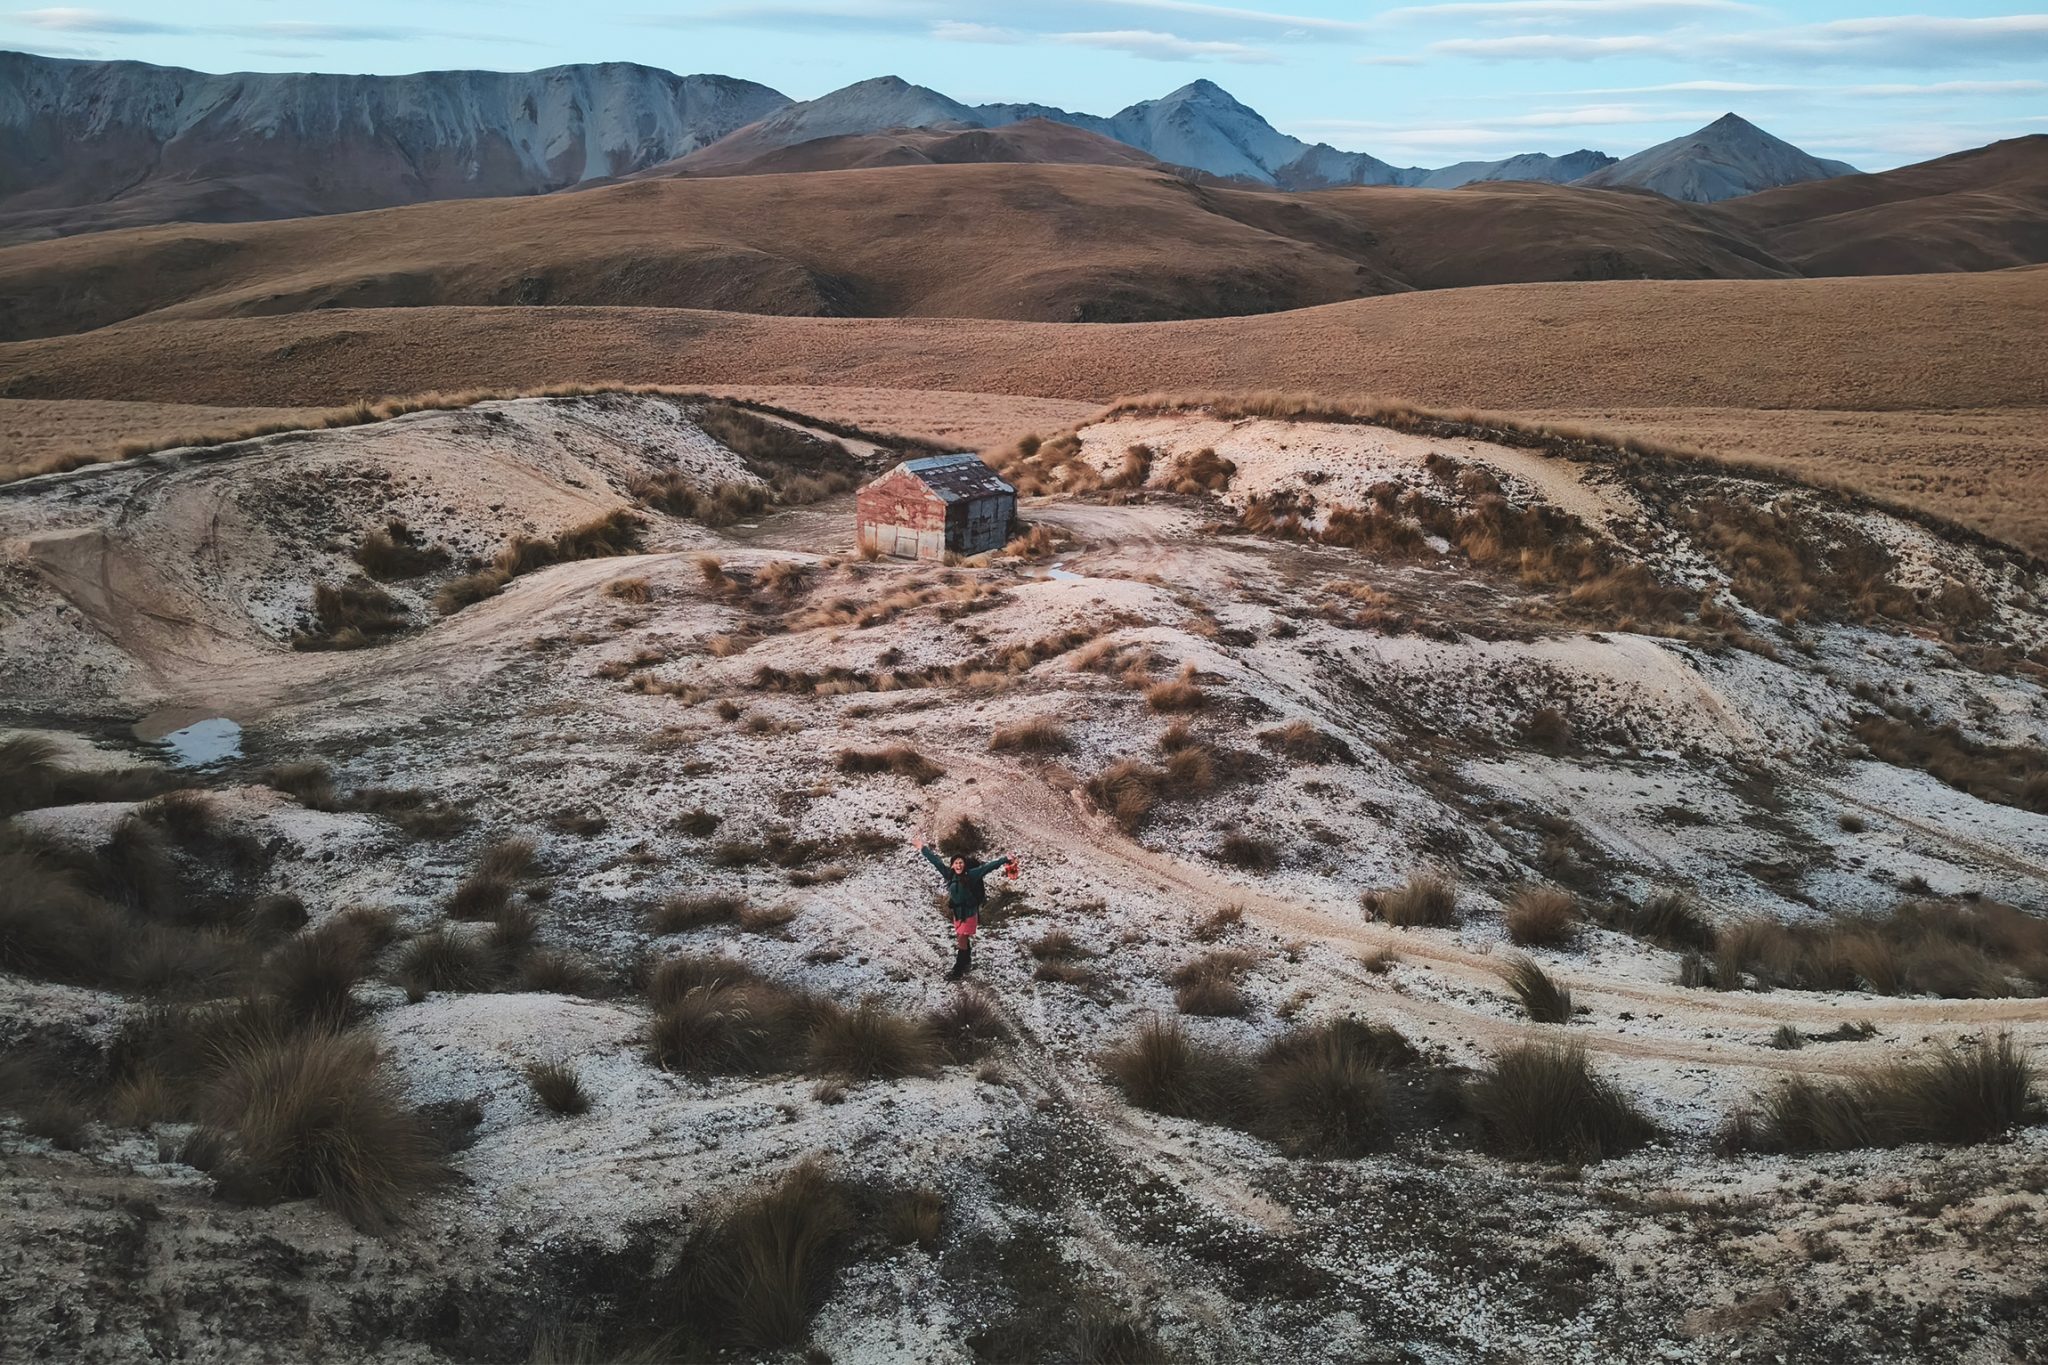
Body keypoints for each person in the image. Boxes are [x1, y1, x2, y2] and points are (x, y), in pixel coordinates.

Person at [915, 839, 1016, 980]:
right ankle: (967, 961)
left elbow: (987, 868)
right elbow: (936, 861)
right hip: (958, 913)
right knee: (961, 938)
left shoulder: (971, 875)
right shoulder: (949, 875)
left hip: (969, 914)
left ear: (964, 864)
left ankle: (957, 970)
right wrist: (923, 848)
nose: (958, 865)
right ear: (952, 866)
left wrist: (1005, 859)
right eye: (956, 863)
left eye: (961, 862)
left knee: (961, 940)